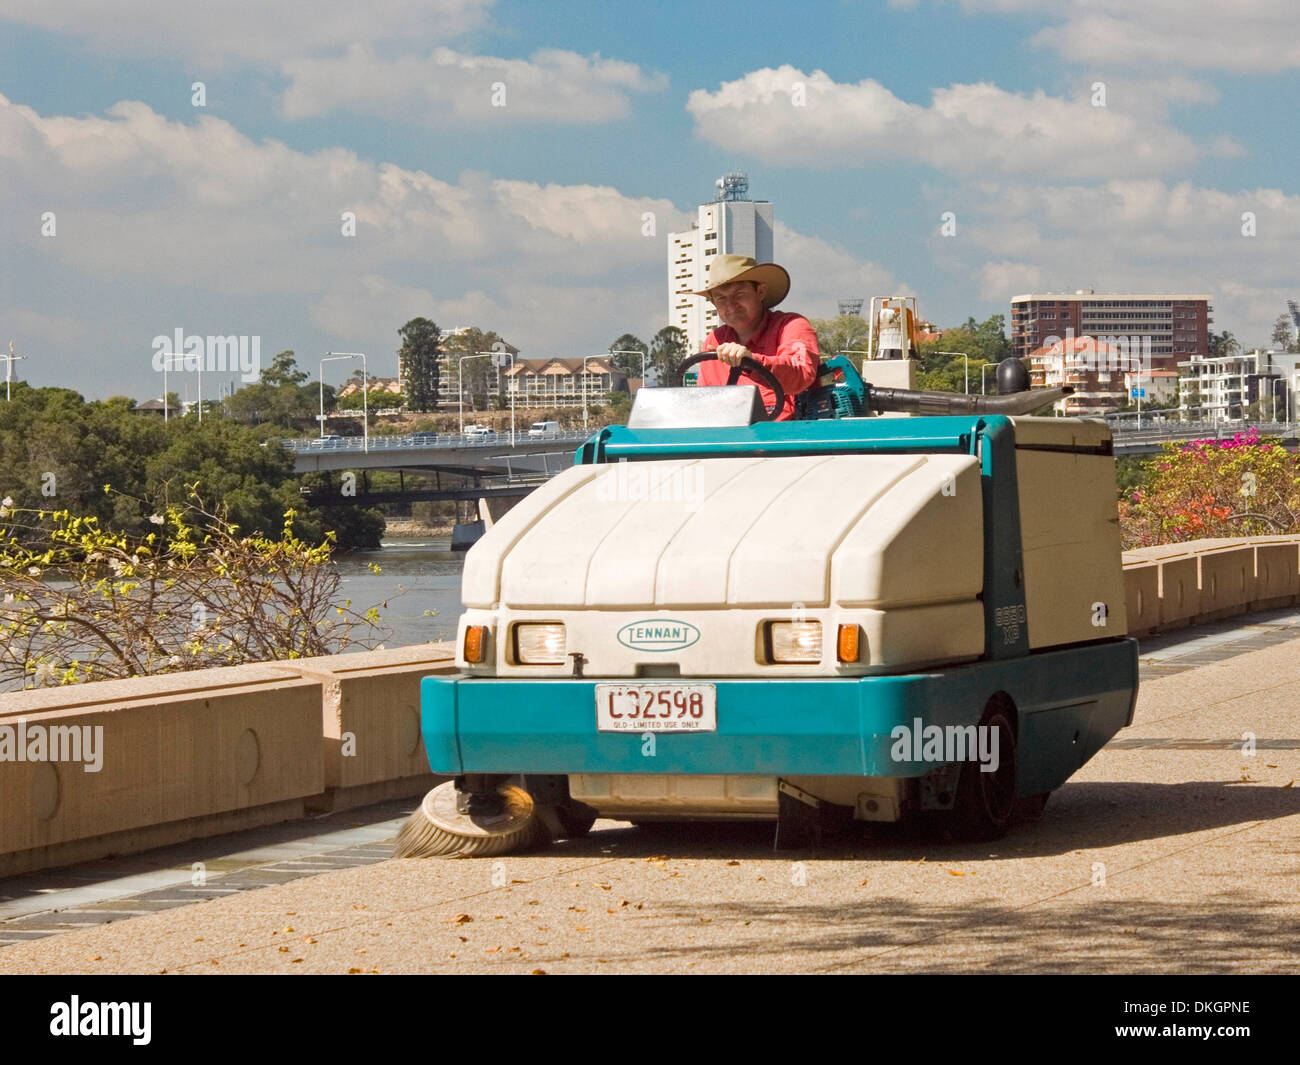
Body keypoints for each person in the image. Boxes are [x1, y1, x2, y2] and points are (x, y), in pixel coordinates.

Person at [693, 253, 818, 420]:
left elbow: (801, 375)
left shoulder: (792, 326)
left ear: (760, 292)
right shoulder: (713, 340)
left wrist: (751, 361)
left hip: (788, 440)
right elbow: (704, 405)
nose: (730, 305)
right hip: (730, 440)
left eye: (739, 295)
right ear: (714, 304)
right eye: (721, 299)